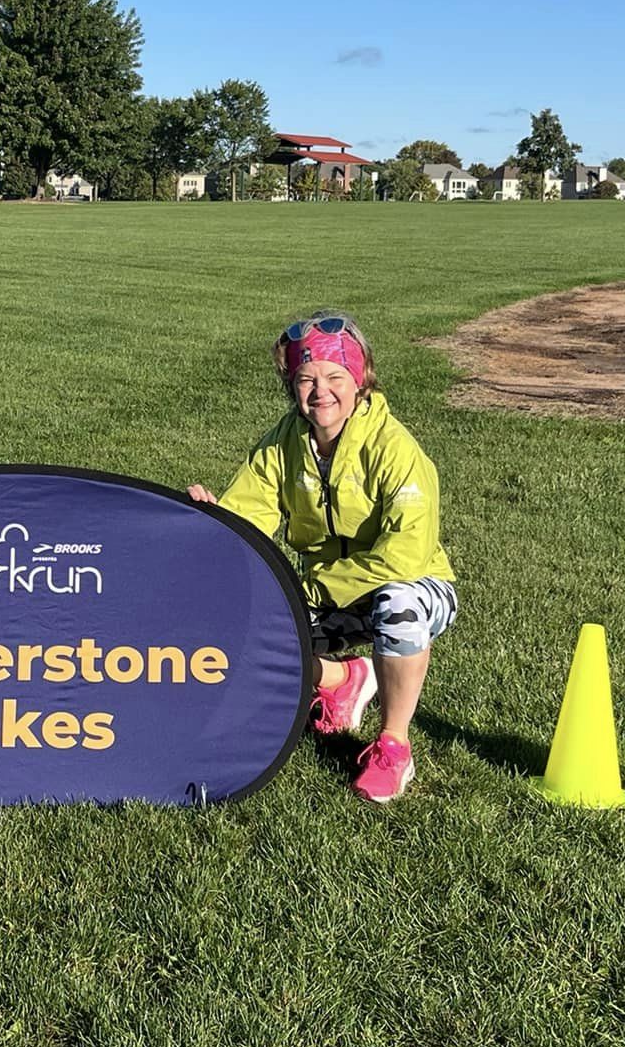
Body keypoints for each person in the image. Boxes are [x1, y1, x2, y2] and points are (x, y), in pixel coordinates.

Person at [188, 311, 457, 801]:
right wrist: (213, 522)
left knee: (400, 607)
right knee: (245, 630)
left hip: (417, 584)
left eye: (335, 377)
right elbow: (247, 520)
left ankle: (393, 746)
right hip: (328, 593)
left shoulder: (395, 447)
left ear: (360, 381)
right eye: (305, 379)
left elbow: (408, 555)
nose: (320, 392)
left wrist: (306, 591)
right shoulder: (282, 445)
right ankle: (342, 678)